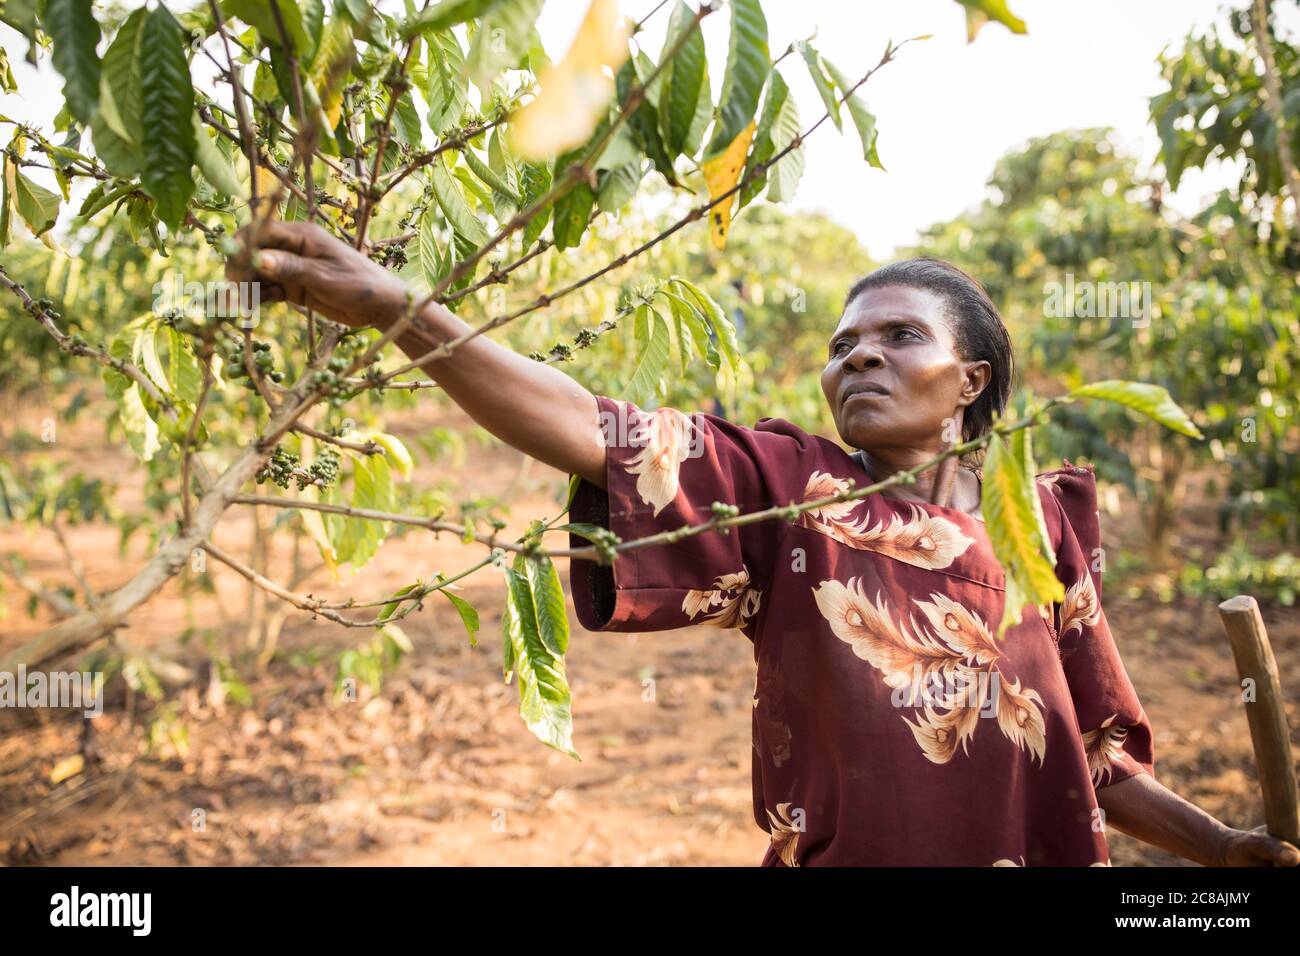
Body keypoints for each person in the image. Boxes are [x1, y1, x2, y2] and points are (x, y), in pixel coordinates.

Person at [228, 222, 1300, 867]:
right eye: (842, 346)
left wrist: (1219, 848)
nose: (857, 360)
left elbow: (1092, 761)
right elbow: (589, 427)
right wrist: (401, 310)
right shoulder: (786, 490)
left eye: (898, 337)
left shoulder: (1041, 523)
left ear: (969, 381)